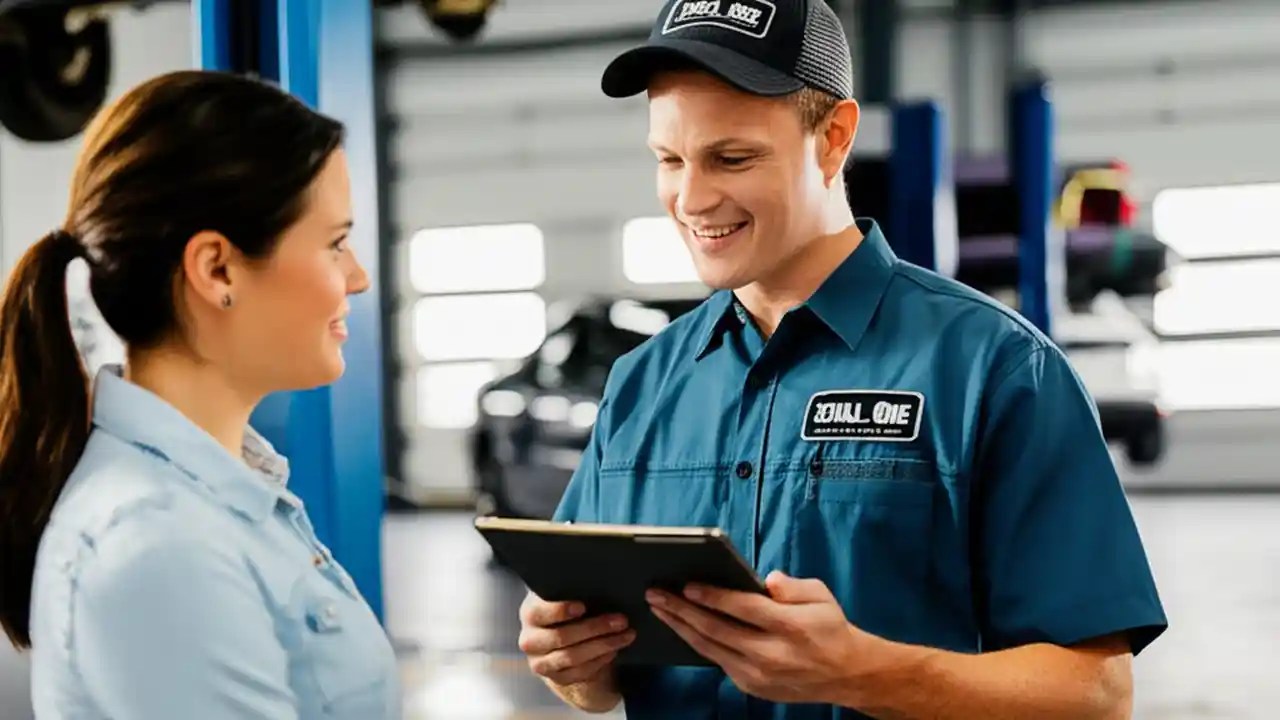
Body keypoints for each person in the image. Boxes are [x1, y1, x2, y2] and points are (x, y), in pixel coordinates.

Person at [516, 1, 1168, 718]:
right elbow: (593, 681)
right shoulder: (643, 384)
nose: (692, 198)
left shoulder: (995, 369)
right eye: (669, 160)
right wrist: (571, 663)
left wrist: (866, 674)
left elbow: (1098, 696)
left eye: (731, 158)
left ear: (833, 138)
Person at [0, 70, 400, 719]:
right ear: (217, 269)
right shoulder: (160, 546)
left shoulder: (225, 491)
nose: (356, 278)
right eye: (334, 244)